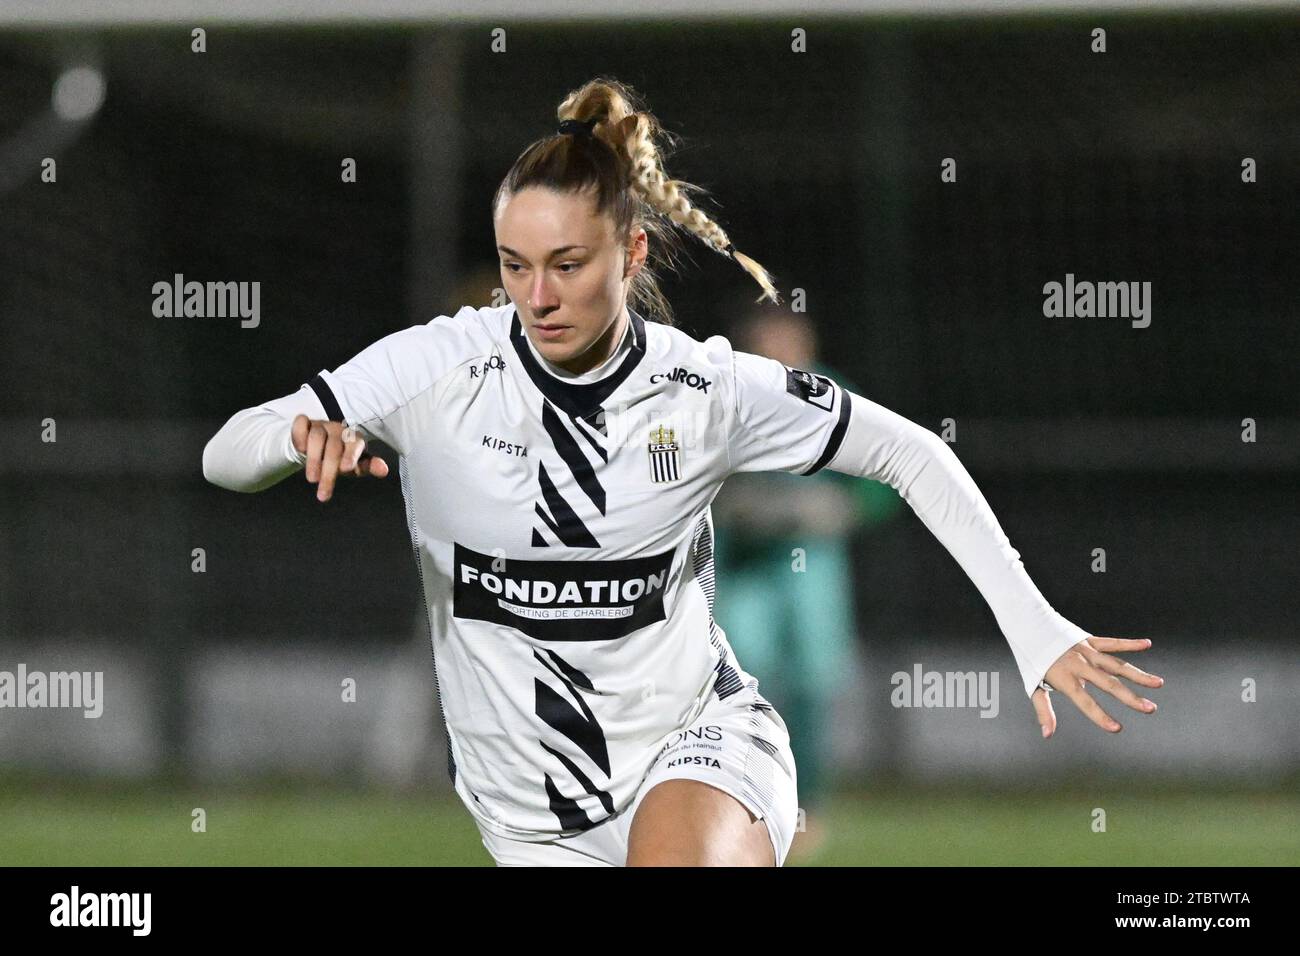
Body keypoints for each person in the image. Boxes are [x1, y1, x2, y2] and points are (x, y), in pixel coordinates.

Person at [201, 77, 1163, 867]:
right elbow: (226, 450)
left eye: (568, 264)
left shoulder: (702, 388)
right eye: (514, 265)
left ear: (632, 250)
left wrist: (1032, 625)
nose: (537, 297)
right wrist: (292, 439)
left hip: (698, 747)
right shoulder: (435, 370)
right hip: (530, 821)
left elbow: (910, 451)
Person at [711, 309, 902, 861]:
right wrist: (731, 503)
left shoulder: (835, 394)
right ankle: (739, 800)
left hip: (811, 562)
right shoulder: (726, 389)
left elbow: (884, 479)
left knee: (813, 682)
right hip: (742, 562)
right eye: (764, 339)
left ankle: (806, 807)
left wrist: (836, 506)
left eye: (786, 337)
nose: (776, 347)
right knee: (738, 685)